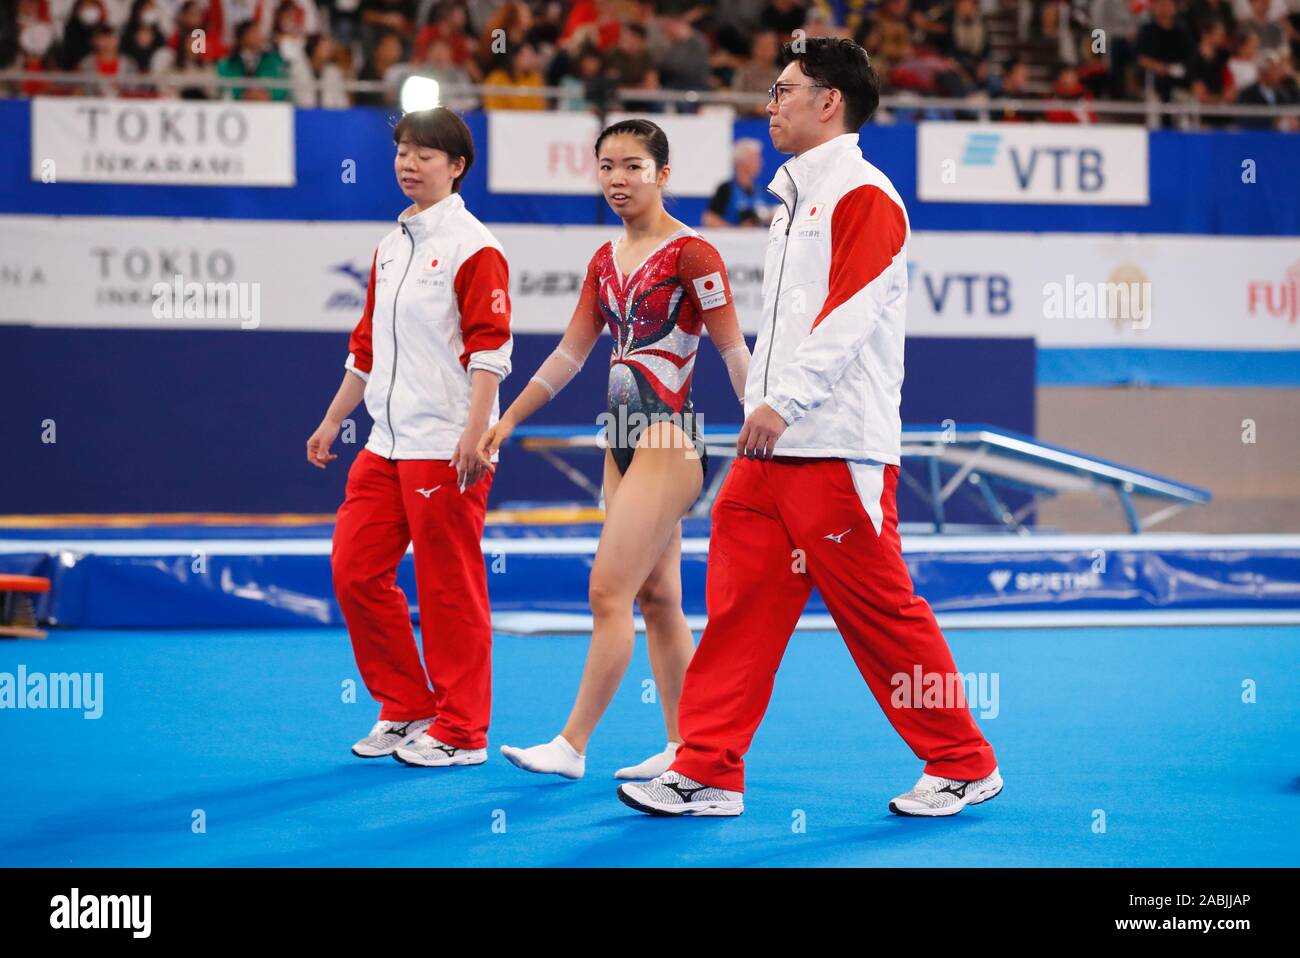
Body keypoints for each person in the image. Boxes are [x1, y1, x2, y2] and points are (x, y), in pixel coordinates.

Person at [618, 37, 1001, 819]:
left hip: (836, 445)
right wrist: (773, 402)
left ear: (829, 102)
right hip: (774, 453)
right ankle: (709, 769)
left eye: (783, 90)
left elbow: (851, 313)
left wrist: (783, 400)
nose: (770, 105)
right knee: (738, 608)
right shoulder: (793, 201)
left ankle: (963, 761)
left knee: (881, 615)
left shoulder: (865, 194)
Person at [477, 118, 751, 783]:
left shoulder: (693, 255)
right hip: (622, 442)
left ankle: (572, 744)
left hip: (667, 438)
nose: (617, 179)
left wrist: (767, 422)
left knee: (608, 592)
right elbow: (571, 354)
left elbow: (733, 350)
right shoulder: (604, 261)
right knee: (658, 601)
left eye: (632, 166)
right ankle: (687, 747)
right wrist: (506, 417)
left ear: (663, 173)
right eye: (606, 166)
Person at [306, 108, 513, 768]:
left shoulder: (476, 246)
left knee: (448, 588)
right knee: (354, 570)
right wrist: (334, 417)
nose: (408, 161)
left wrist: (475, 435)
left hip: (447, 444)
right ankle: (407, 704)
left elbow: (491, 350)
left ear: (456, 167)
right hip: (385, 443)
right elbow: (365, 348)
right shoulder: (390, 247)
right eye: (402, 149)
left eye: (425, 152)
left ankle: (462, 731)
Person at [703, 138, 774, 228]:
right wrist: (737, 232)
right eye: (755, 158)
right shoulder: (725, 189)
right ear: (741, 162)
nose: (760, 162)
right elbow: (709, 219)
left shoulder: (759, 190)